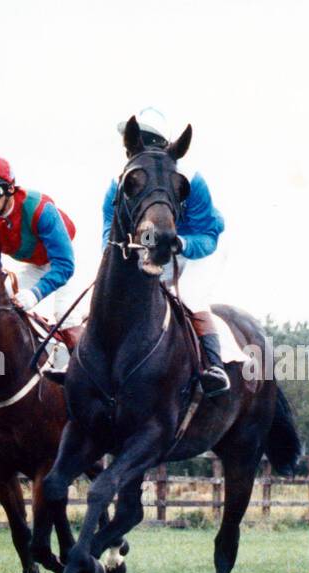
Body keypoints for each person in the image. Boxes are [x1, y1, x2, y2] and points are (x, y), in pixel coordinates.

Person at [102, 107, 231, 398]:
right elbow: (108, 231)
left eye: (143, 140)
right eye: (134, 142)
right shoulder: (120, 181)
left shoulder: (193, 180)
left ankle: (213, 365)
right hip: (152, 243)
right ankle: (81, 362)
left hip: (196, 249)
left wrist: (182, 244)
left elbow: (208, 235)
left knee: (190, 296)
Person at [0, 155, 76, 324]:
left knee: (65, 318)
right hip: (35, 265)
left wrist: (35, 293)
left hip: (66, 261)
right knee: (0, 304)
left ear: (10, 189)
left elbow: (65, 265)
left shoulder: (41, 209)